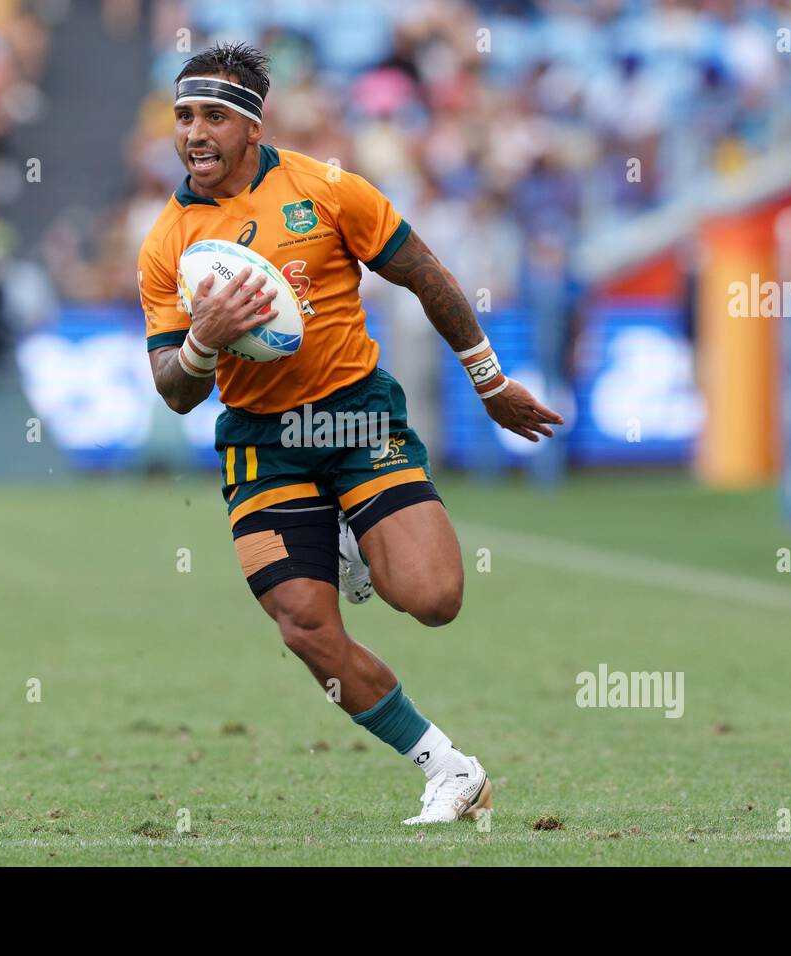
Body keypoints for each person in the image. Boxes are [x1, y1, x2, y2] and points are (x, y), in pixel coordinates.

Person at [138, 43, 562, 824]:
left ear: (253, 127)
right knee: (304, 625)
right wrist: (202, 342)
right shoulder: (168, 242)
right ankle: (448, 769)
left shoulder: (328, 190)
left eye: (215, 117)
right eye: (185, 116)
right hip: (260, 443)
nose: (195, 133)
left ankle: (352, 534)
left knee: (433, 599)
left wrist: (491, 382)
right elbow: (173, 391)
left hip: (356, 417)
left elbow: (425, 272)